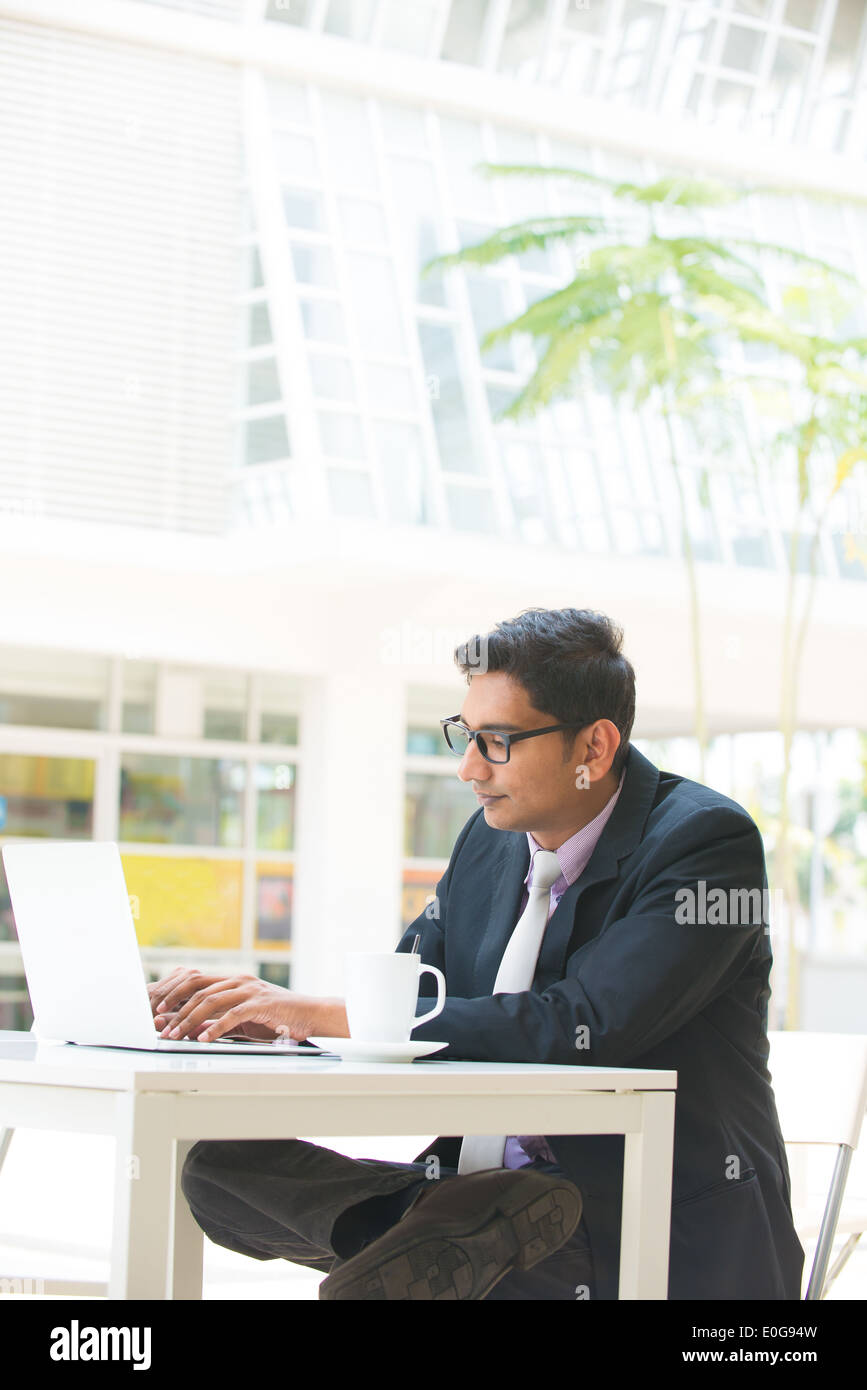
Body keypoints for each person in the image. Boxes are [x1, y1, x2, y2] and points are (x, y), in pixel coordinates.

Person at [152, 607, 804, 1301]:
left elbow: (582, 1024)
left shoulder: (703, 843)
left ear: (593, 748)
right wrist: (275, 1022)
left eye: (496, 742)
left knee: (410, 1281)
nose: (467, 768)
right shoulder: (489, 841)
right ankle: (439, 1231)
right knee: (217, 1171)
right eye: (466, 736)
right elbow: (412, 1002)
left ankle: (438, 1238)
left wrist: (321, 1013)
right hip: (470, 1190)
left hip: (641, 1223)